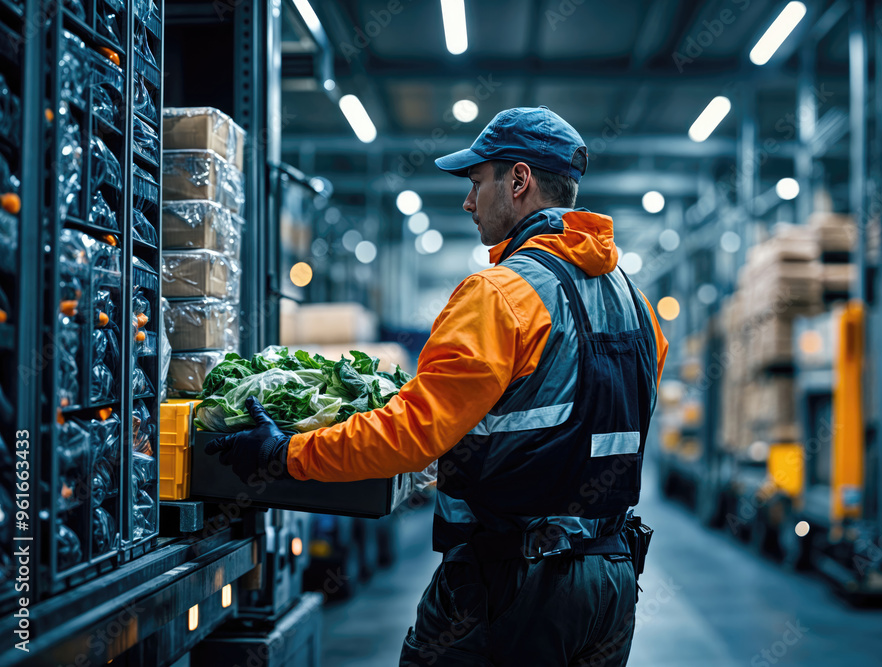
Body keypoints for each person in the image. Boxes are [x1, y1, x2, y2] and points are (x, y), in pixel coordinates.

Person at [206, 106, 669, 666]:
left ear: (518, 182)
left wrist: (285, 454)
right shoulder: (636, 305)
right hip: (612, 585)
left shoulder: (501, 295)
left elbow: (410, 433)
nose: (469, 202)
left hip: (514, 587)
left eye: (477, 183)